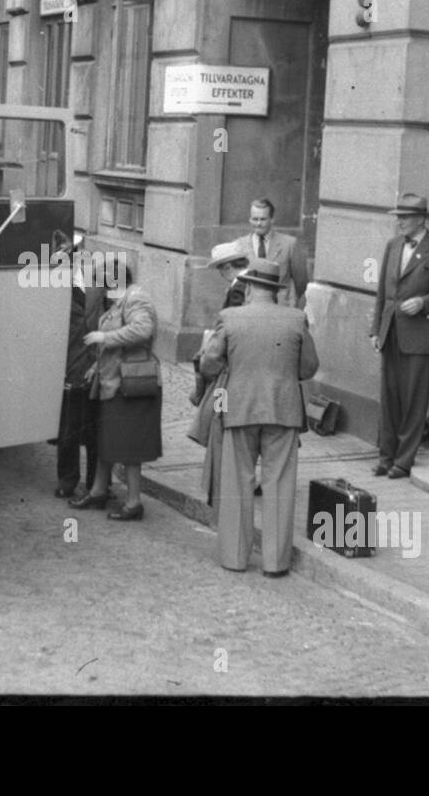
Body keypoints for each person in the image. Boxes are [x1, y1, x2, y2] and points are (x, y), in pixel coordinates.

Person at [200, 259, 319, 575]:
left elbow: (208, 364)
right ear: (276, 291)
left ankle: (235, 558)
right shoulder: (296, 319)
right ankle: (275, 563)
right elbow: (308, 369)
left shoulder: (230, 317)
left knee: (237, 481)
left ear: (250, 287)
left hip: (239, 407)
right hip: (284, 408)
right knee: (279, 483)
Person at [369, 193, 429, 479]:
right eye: (398, 216)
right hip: (391, 333)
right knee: (390, 399)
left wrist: (424, 303)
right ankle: (385, 457)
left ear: (422, 218)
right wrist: (376, 329)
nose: (399, 222)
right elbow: (383, 294)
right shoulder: (393, 245)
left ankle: (404, 460)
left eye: (405, 217)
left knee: (415, 400)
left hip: (422, 337)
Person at [69, 264, 160, 521]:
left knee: (130, 445)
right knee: (106, 439)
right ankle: (98, 490)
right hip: (115, 382)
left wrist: (103, 338)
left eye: (103, 282)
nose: (101, 288)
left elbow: (143, 330)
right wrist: (97, 366)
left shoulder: (136, 297)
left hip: (131, 384)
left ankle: (133, 503)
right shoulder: (123, 299)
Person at [188, 241, 251, 507]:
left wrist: (207, 361)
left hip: (231, 370)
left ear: (227, 267)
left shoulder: (238, 289)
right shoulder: (256, 282)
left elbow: (228, 330)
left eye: (219, 269)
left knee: (220, 418)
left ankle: (225, 479)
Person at [54, 229, 105, 498]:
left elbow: (110, 315)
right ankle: (67, 480)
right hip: (69, 359)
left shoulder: (100, 279)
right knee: (69, 427)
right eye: (68, 251)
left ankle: (96, 482)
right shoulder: (54, 282)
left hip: (96, 360)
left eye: (75, 250)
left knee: (96, 426)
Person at [236, 198, 309, 308]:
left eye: (263, 219)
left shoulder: (289, 244)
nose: (258, 223)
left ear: (272, 219)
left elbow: (302, 286)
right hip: (250, 311)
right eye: (255, 219)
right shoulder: (240, 245)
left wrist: (296, 314)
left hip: (281, 311)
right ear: (249, 220)